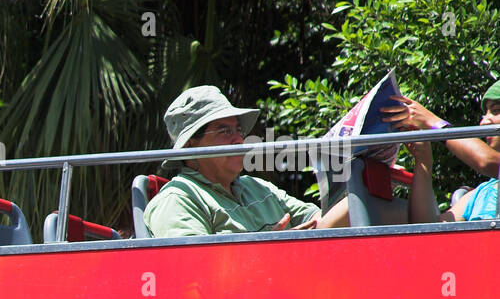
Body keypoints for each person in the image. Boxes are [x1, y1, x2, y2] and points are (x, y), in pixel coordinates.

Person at [144, 86, 351, 238]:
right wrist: (263, 251)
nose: (239, 140)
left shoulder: (259, 188)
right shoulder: (178, 198)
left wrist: (373, 176)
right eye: (225, 131)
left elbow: (322, 222)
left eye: (239, 130)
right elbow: (195, 276)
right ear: (190, 145)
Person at [381, 81, 500, 220]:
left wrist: (433, 122)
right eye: (484, 114)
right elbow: (427, 229)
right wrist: (423, 160)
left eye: (496, 110)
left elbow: (488, 162)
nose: (484, 122)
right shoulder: (481, 194)